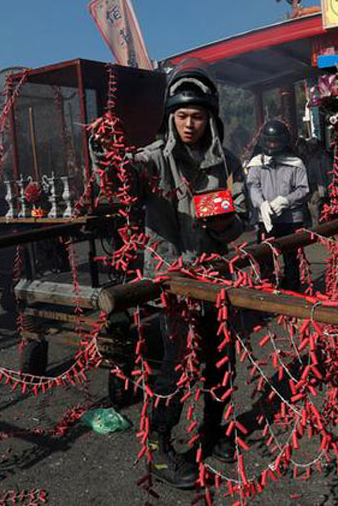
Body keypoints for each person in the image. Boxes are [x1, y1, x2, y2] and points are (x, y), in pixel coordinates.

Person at [130, 64, 247, 489]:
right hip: (170, 283)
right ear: (170, 118)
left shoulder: (228, 163)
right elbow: (123, 182)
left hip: (214, 281)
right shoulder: (152, 159)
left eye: (197, 116)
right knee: (174, 369)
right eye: (181, 116)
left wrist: (221, 221)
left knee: (222, 361)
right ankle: (160, 448)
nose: (189, 124)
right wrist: (108, 159)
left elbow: (241, 223)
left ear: (210, 117)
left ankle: (216, 433)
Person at [245, 120, 309, 291]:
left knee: (292, 259)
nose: (273, 145)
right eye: (269, 142)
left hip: (290, 220)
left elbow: (303, 189)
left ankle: (293, 292)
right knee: (265, 257)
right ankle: (269, 290)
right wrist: (262, 204)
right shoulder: (257, 163)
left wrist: (286, 200)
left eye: (276, 142)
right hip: (266, 219)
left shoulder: (296, 163)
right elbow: (252, 186)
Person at [303, 138, 332, 226]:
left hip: (320, 187)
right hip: (311, 188)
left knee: (318, 210)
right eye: (309, 146)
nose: (311, 148)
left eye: (313, 146)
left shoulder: (324, 157)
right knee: (312, 210)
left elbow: (330, 173)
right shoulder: (309, 157)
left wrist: (329, 188)